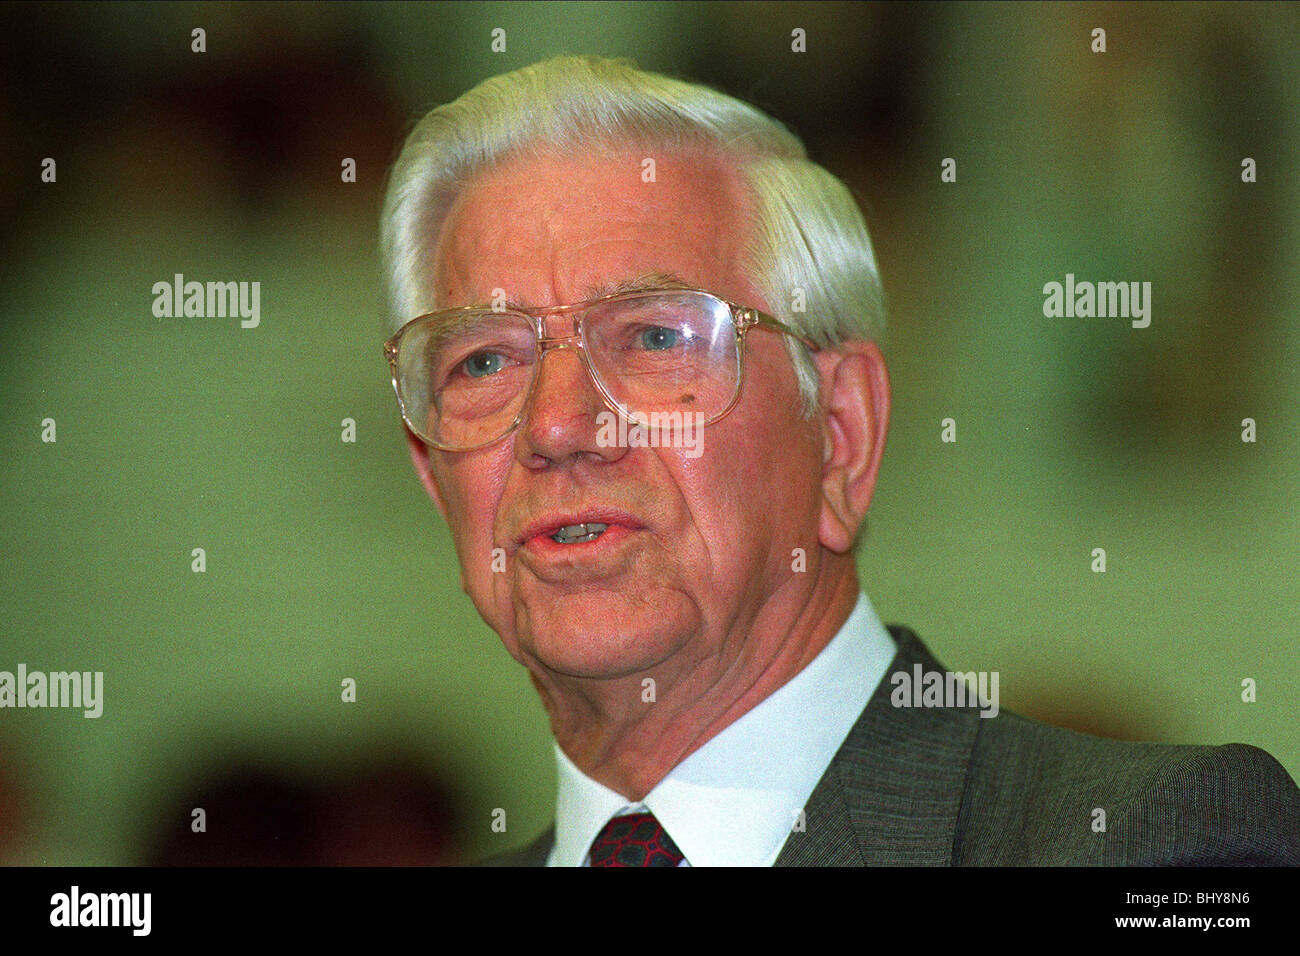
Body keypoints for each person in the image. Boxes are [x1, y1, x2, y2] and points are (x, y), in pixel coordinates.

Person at [378, 55, 1300, 866]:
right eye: (484, 360)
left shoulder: (1152, 847)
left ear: (842, 435)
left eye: (655, 336)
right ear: (433, 476)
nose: (559, 425)